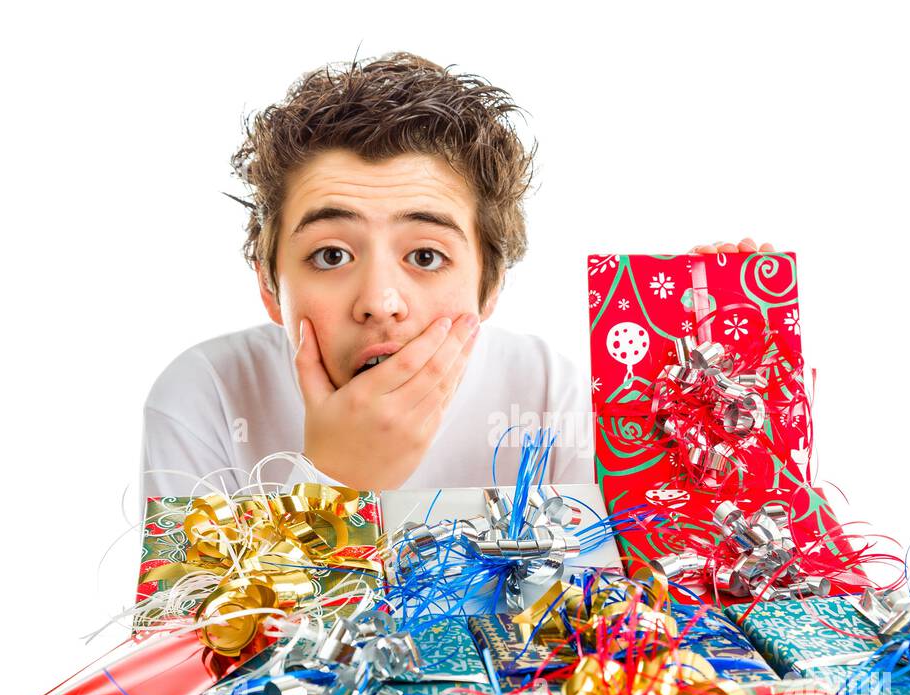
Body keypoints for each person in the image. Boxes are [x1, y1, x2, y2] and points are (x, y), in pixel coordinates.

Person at [138, 51, 769, 502]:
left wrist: (713, 399)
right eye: (331, 255)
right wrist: (334, 479)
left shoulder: (547, 390)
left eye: (425, 256)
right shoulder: (205, 396)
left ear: (490, 287)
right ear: (270, 288)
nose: (381, 303)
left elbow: (628, 611)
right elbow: (182, 660)